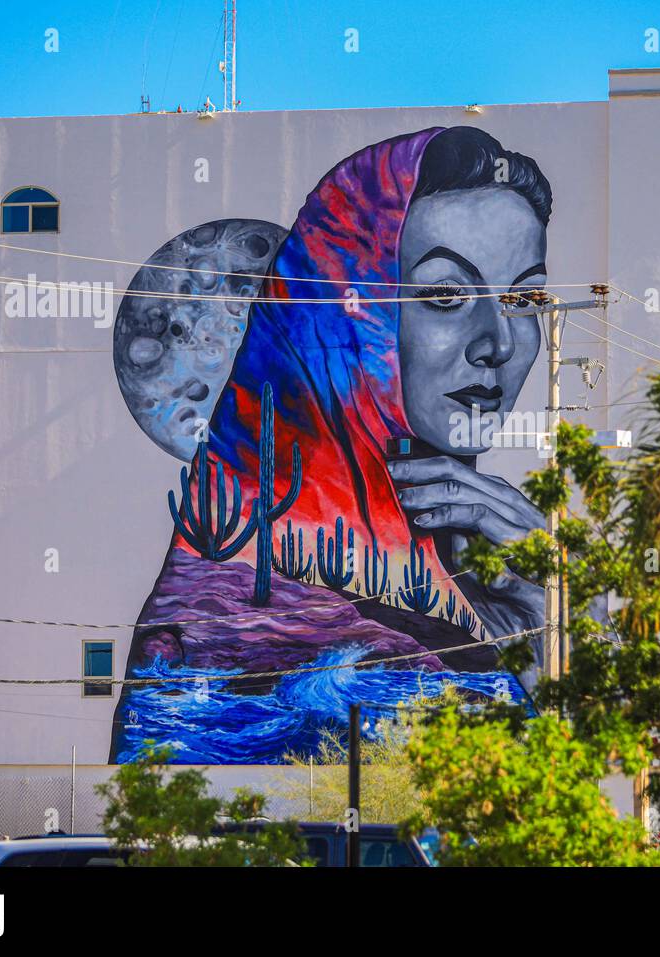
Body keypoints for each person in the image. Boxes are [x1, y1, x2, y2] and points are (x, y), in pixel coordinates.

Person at [110, 127, 552, 762]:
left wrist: (554, 624)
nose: (499, 343)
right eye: (446, 295)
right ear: (355, 317)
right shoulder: (220, 617)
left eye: (524, 297)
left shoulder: (485, 576)